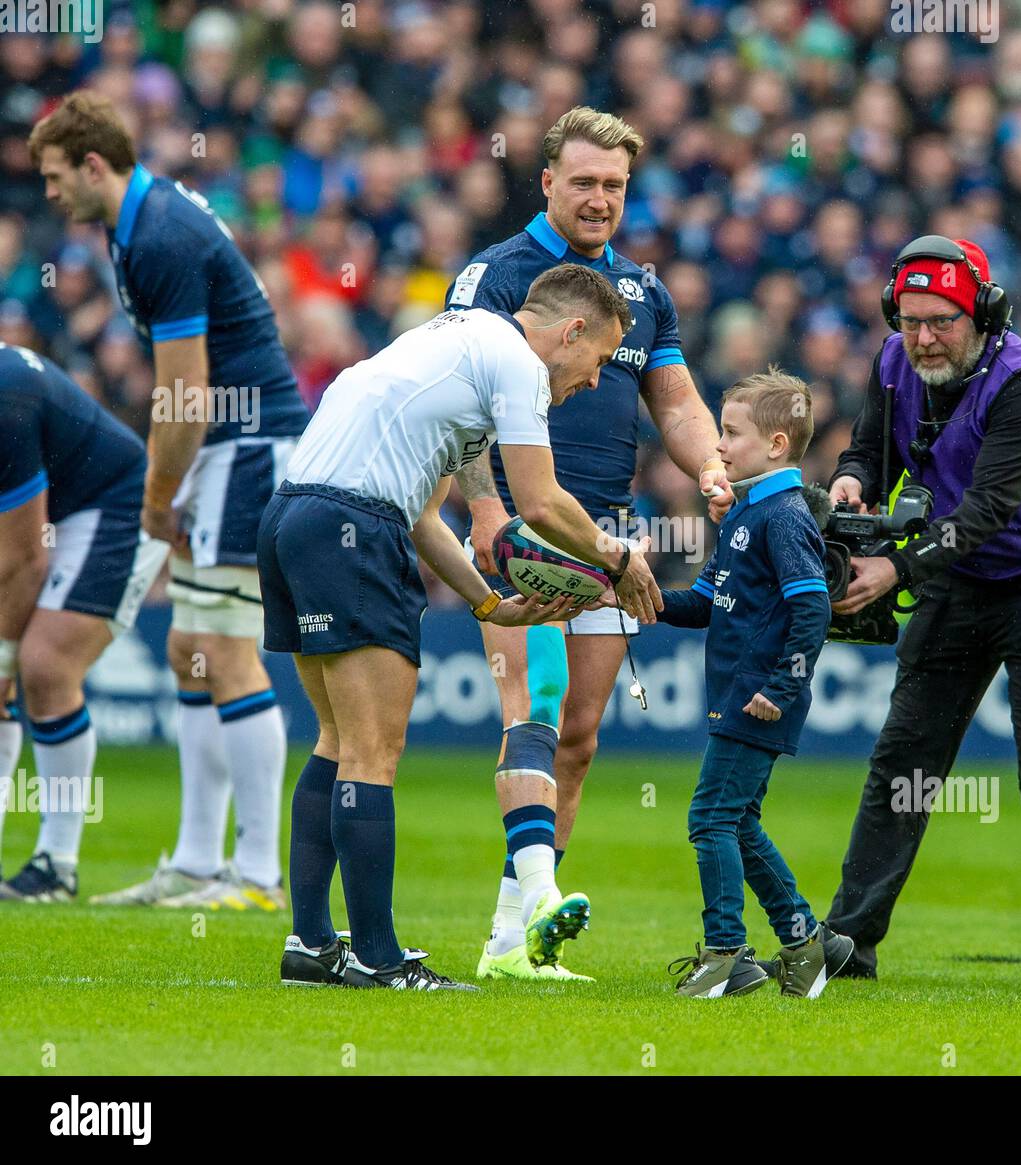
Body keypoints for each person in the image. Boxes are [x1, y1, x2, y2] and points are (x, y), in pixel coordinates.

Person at [262, 264, 662, 991]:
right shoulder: (516, 361)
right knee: (374, 753)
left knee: (336, 740)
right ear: (570, 331)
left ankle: (312, 943)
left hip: (293, 519)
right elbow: (538, 503)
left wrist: (486, 604)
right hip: (353, 525)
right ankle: (379, 958)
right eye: (600, 359)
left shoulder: (443, 350)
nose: (597, 380)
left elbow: (424, 517)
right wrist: (616, 553)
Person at [446, 107, 730, 982]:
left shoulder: (644, 294)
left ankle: (512, 937)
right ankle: (525, 916)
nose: (600, 199)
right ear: (547, 183)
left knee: (578, 735)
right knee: (531, 706)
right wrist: (486, 511)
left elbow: (675, 403)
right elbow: (458, 406)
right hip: (523, 532)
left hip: (609, 539)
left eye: (613, 185)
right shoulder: (494, 275)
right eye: (584, 183)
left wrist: (716, 471)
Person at [31, 92, 310, 911]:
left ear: (92, 165)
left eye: (54, 178)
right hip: (226, 444)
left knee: (224, 648)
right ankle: (196, 858)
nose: (47, 195)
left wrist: (159, 497)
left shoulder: (157, 235)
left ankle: (257, 873)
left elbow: (186, 391)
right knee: (191, 643)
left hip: (245, 445)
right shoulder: (144, 220)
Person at [825, 235, 1021, 988]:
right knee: (903, 756)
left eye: (941, 321)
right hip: (957, 573)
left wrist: (893, 567)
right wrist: (851, 484)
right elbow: (866, 452)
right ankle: (849, 939)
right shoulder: (894, 362)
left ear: (983, 314)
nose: (922, 337)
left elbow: (986, 508)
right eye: (910, 320)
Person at [652, 369, 853, 998]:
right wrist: (644, 598)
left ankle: (725, 954)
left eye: (731, 434)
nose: (718, 446)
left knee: (709, 817)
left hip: (759, 697)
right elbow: (707, 602)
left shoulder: (784, 516)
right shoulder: (748, 513)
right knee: (736, 821)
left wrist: (783, 686)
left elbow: (813, 607)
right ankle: (807, 944)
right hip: (741, 694)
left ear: (775, 445)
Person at [0, 343, 169, 900]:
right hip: (53, 512)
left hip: (110, 503)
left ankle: (57, 862)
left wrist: (3, 659)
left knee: (43, 665)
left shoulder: (7, 398)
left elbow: (24, 560)